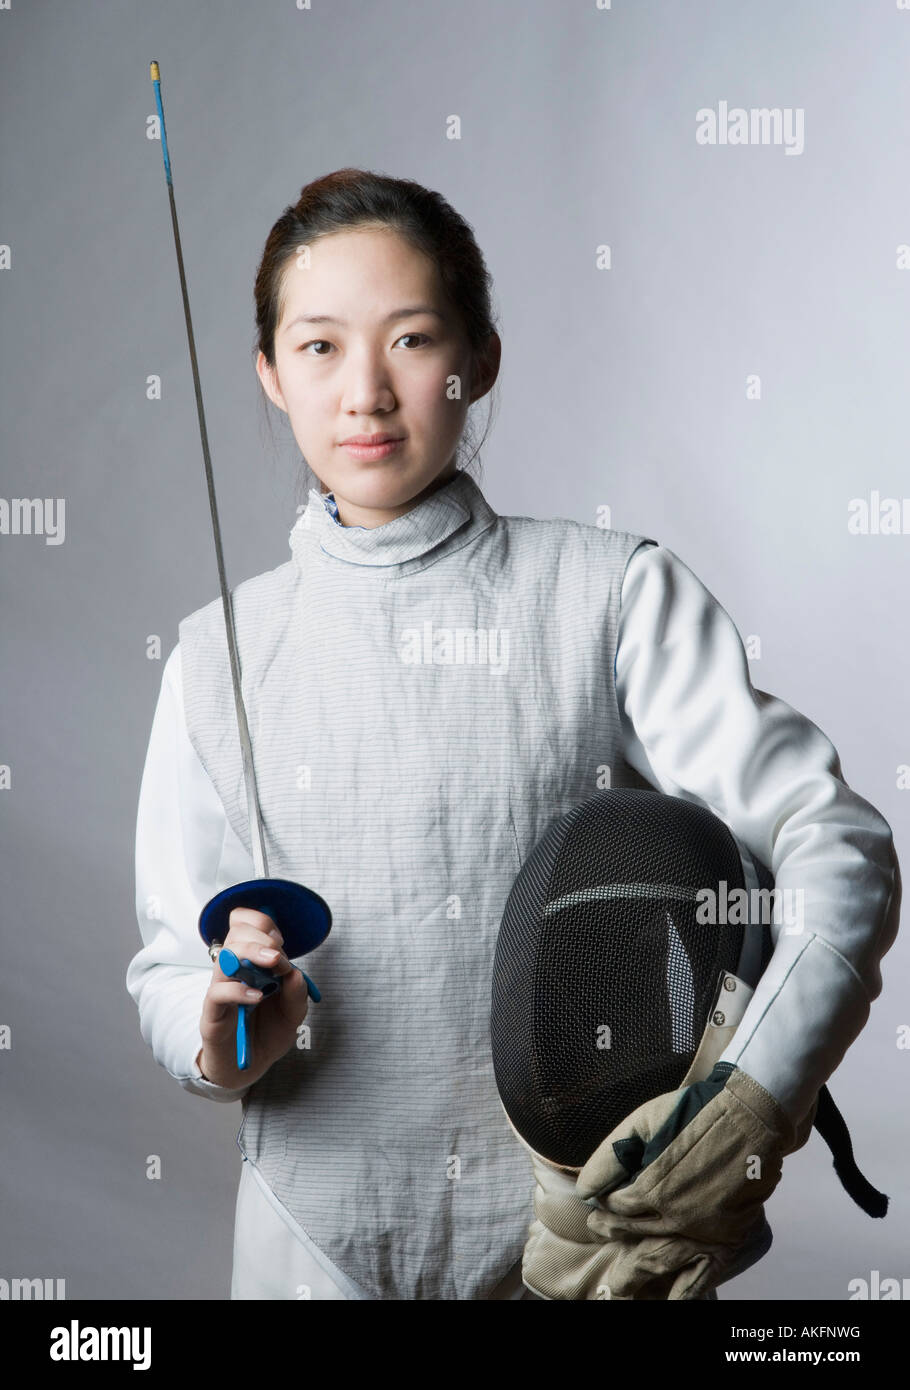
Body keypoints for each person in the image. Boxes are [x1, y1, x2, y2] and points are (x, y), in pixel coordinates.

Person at [126, 168, 901, 1302]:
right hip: (309, 1247)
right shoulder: (213, 654)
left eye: (410, 338)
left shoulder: (609, 594)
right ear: (268, 375)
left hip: (588, 1249)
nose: (366, 395)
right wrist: (222, 1020)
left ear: (478, 359)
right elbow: (165, 963)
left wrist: (748, 1096)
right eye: (320, 347)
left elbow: (834, 840)